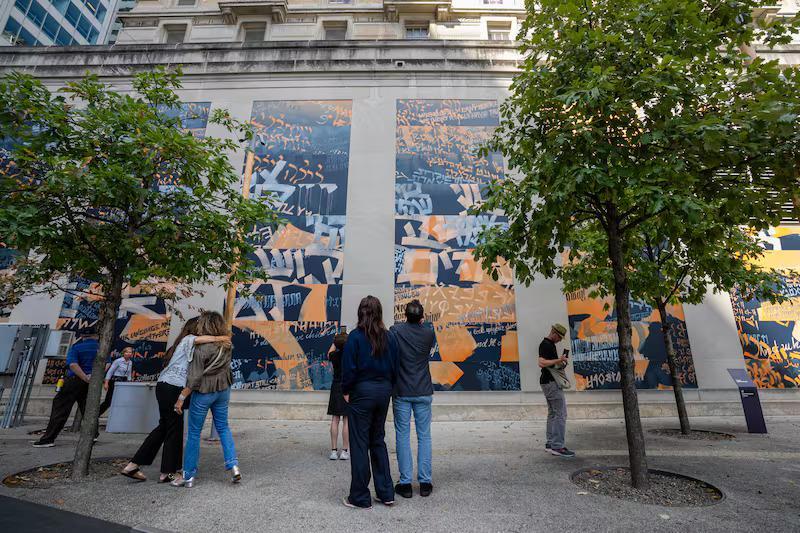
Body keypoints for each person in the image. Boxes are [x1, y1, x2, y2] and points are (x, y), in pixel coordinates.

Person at [120, 317, 229, 482]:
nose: (203, 329)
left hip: (165, 386)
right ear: (195, 328)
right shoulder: (189, 339)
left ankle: (133, 465)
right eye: (201, 326)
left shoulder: (182, 344)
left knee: (164, 427)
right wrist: (221, 337)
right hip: (173, 388)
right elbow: (202, 340)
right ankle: (168, 473)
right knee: (174, 430)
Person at [342, 296, 398, 509]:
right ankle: (386, 493)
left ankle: (360, 496)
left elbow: (349, 368)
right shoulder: (389, 337)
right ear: (379, 313)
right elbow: (395, 366)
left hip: (361, 393)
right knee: (378, 440)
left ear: (360, 313)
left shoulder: (355, 337)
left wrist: (346, 390)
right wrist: (388, 388)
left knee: (359, 443)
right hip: (383, 392)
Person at [172, 311, 239, 488]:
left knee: (194, 433)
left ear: (204, 325)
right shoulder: (227, 345)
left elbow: (194, 378)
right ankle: (234, 466)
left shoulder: (200, 348)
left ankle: (188, 475)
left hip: (203, 392)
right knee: (223, 427)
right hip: (223, 390)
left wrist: (181, 398)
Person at [390, 299, 436, 499]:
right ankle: (425, 482)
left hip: (402, 390)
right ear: (422, 317)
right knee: (424, 436)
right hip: (423, 389)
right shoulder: (429, 332)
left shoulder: (395, 331)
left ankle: (406, 483)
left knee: (402, 435)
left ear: (405, 315)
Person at [33, 333, 99, 447]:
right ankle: (93, 435)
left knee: (60, 409)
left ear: (83, 336)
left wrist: (84, 377)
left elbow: (73, 364)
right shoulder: (101, 348)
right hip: (92, 382)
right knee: (88, 409)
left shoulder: (77, 347)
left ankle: (48, 439)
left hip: (74, 380)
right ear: (96, 336)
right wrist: (92, 376)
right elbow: (107, 364)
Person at [539, 323, 575, 458]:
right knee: (561, 413)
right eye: (559, 337)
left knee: (553, 413)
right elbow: (541, 362)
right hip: (551, 383)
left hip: (547, 382)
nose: (560, 340)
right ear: (554, 333)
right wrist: (559, 359)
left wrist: (560, 362)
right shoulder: (546, 344)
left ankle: (550, 444)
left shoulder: (549, 345)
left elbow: (550, 365)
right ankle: (558, 446)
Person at [327, 330, 350, 461]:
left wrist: (334, 342)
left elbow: (329, 352)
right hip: (348, 388)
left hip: (336, 387)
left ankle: (334, 451)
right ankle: (345, 451)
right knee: (347, 420)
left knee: (335, 419)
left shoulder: (334, 356)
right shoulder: (350, 357)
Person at [98, 346, 134, 416]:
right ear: (123, 353)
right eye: (127, 352)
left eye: (130, 352)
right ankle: (98, 413)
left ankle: (117, 415)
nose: (128, 354)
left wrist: (129, 383)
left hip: (124, 381)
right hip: (115, 381)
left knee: (121, 400)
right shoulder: (118, 361)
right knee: (108, 401)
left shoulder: (130, 362)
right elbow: (110, 372)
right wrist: (106, 383)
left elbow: (129, 373)